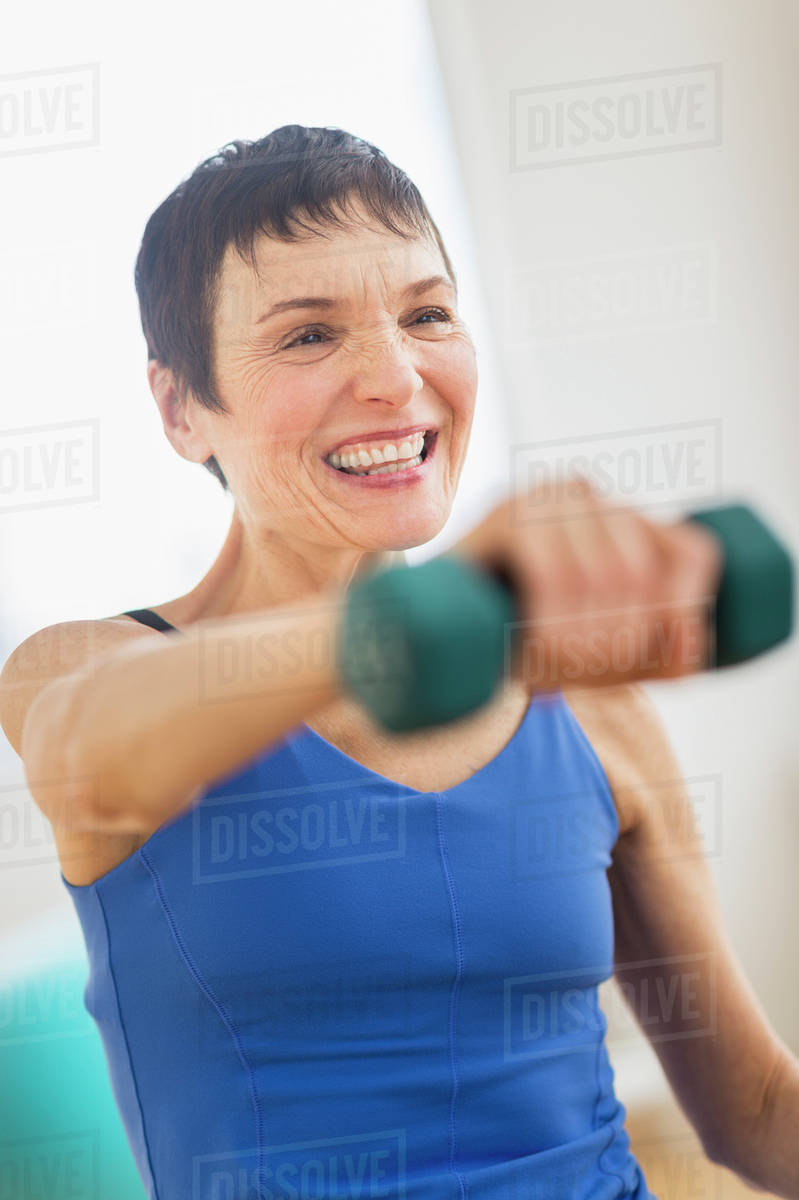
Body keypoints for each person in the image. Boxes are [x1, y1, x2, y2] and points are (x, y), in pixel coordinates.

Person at [1, 124, 797, 1200]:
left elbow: (753, 1113)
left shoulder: (589, 715)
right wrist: (453, 602)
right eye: (307, 336)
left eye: (427, 315)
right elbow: (92, 755)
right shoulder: (82, 671)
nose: (393, 374)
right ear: (183, 408)